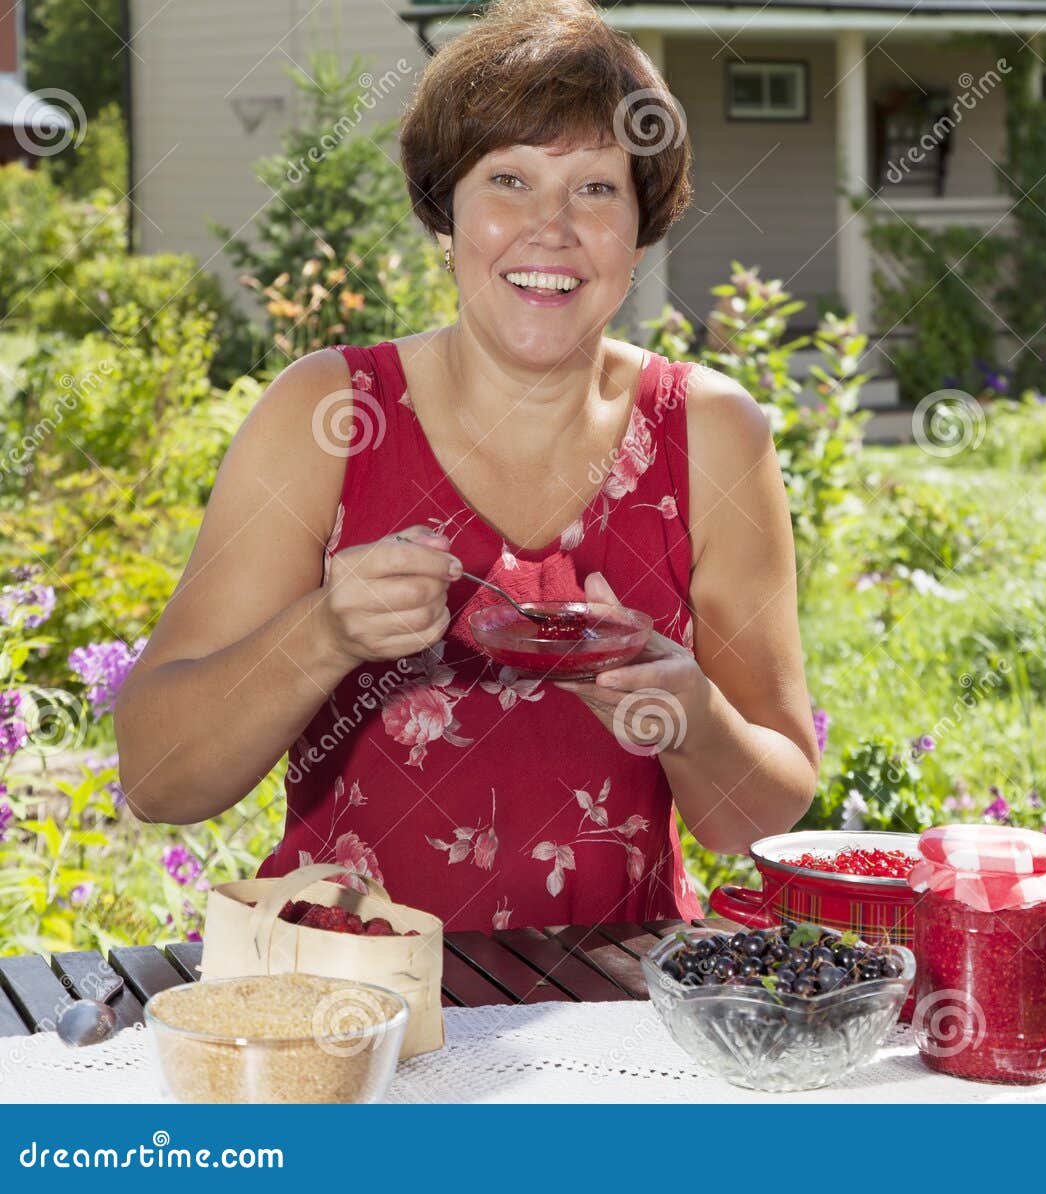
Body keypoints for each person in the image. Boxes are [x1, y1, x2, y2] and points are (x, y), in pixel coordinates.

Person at [114, 0, 818, 931]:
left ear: (640, 227)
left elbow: (755, 817)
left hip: (616, 993)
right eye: (509, 180)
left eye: (596, 188)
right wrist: (323, 633)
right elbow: (158, 779)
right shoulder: (328, 415)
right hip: (351, 994)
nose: (551, 228)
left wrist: (689, 712)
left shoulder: (712, 432)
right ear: (445, 218)